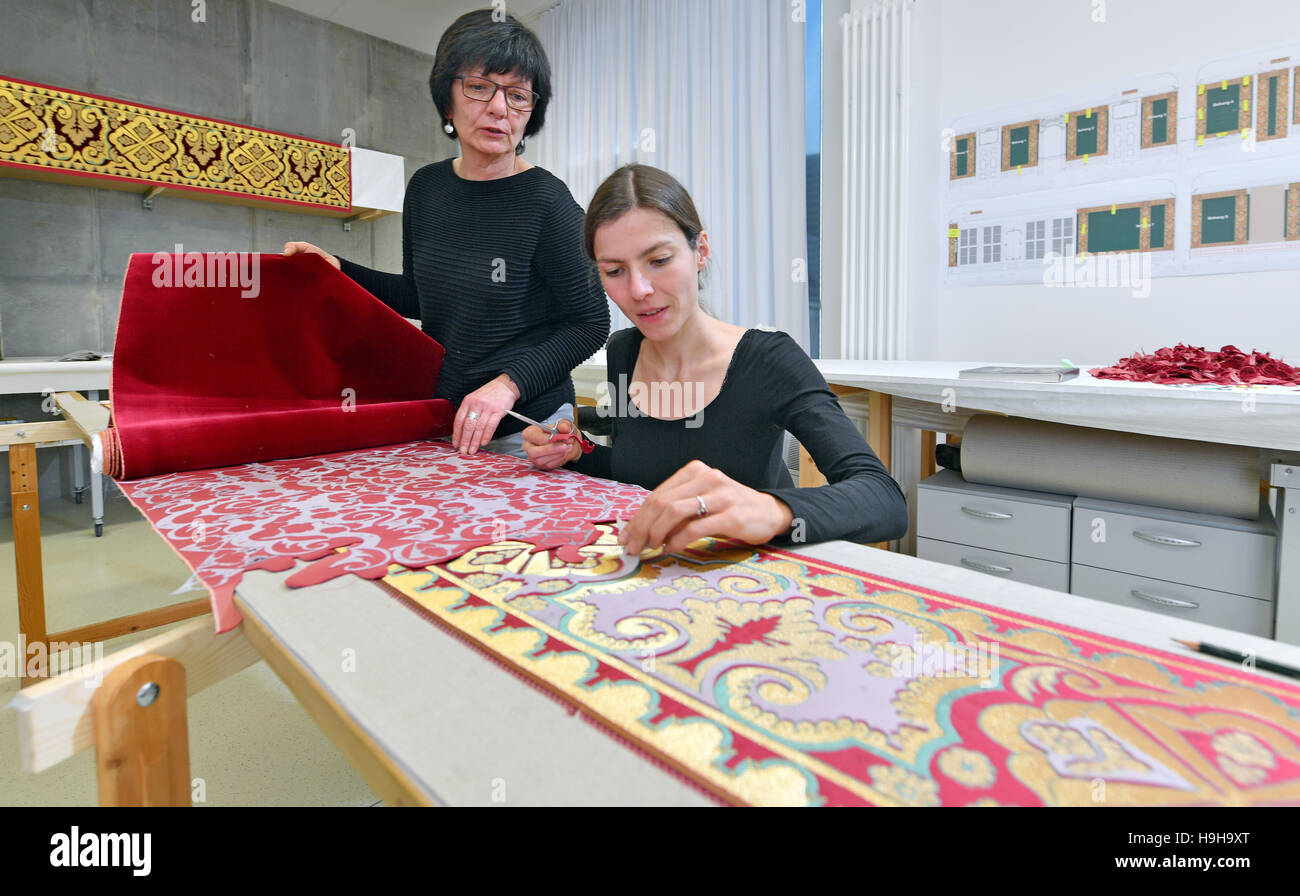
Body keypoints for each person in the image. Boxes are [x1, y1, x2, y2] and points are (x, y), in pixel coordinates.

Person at [524, 164, 909, 554]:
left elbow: (884, 500)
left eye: (659, 260)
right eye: (615, 270)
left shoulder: (769, 361)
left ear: (700, 251)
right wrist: (578, 453)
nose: (638, 290)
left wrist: (771, 510)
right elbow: (638, 468)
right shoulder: (624, 351)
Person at [283, 9, 607, 456]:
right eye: (479, 87)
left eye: (517, 95)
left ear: (531, 112)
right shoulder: (426, 188)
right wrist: (337, 269)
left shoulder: (547, 201)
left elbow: (591, 322)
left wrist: (508, 385)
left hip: (529, 428)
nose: (499, 108)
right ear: (447, 99)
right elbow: (419, 295)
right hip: (445, 419)